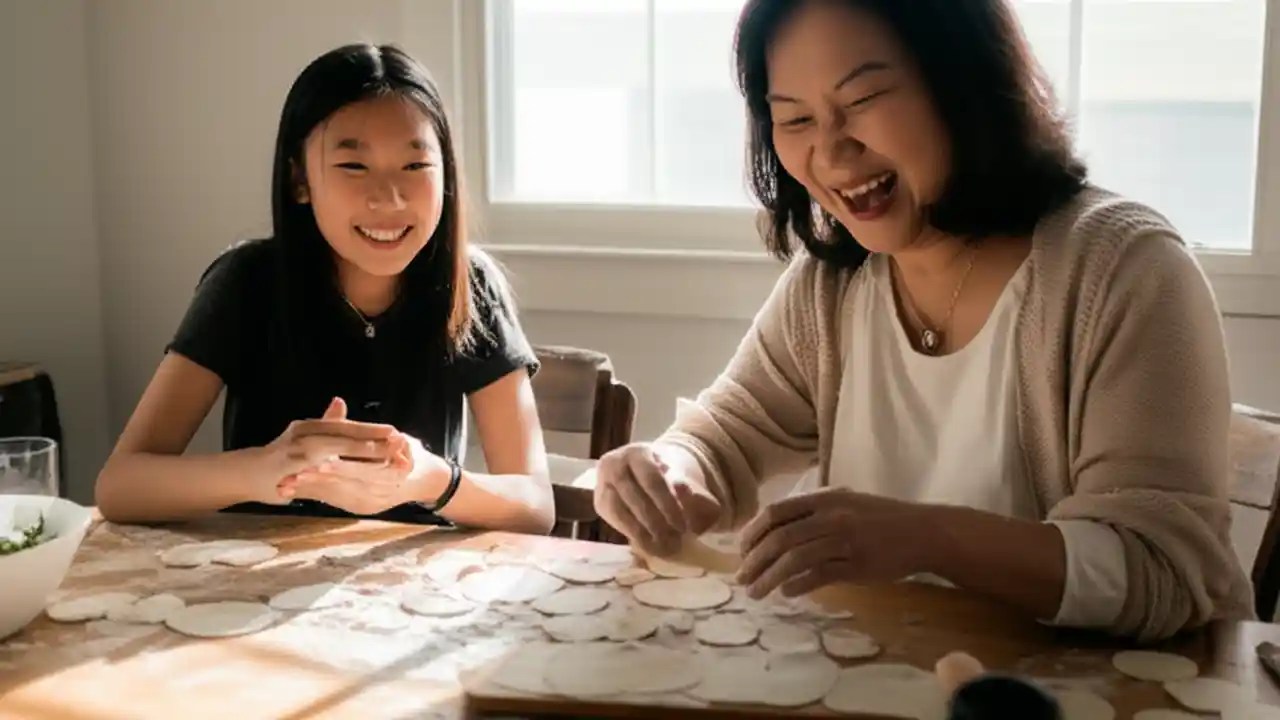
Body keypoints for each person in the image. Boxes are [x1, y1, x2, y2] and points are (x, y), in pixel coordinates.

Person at [591, 0, 1253, 640]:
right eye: (793, 120)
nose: (831, 151)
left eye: (862, 101)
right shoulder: (836, 280)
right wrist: (673, 469)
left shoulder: (1124, 270)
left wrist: (924, 537)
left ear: (961, 81)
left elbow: (1162, 569)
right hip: (891, 680)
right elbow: (726, 435)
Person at [96, 44, 555, 535]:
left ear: (446, 177)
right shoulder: (246, 282)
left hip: (415, 590)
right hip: (253, 583)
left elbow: (534, 506)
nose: (389, 198)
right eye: (354, 167)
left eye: (415, 167)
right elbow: (120, 486)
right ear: (300, 180)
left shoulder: (470, 286)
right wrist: (266, 470)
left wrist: (430, 481)